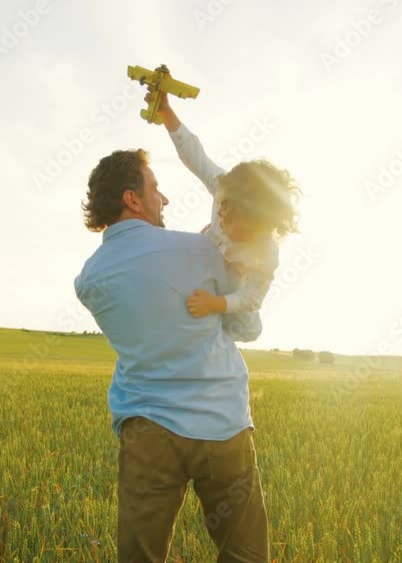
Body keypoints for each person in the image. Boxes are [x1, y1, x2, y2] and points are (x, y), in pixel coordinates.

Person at [74, 147, 270, 561]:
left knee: (140, 555)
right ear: (132, 198)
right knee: (244, 551)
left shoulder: (88, 278)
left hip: (148, 431)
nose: (164, 199)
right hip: (222, 424)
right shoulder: (200, 251)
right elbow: (247, 327)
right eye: (155, 188)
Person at [147, 86, 301, 320]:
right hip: (205, 254)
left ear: (265, 228)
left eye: (246, 233)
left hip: (232, 284)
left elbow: (252, 298)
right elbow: (193, 154)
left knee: (250, 328)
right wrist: (166, 113)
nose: (233, 234)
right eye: (227, 220)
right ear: (225, 204)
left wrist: (216, 304)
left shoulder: (267, 252)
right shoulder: (222, 186)